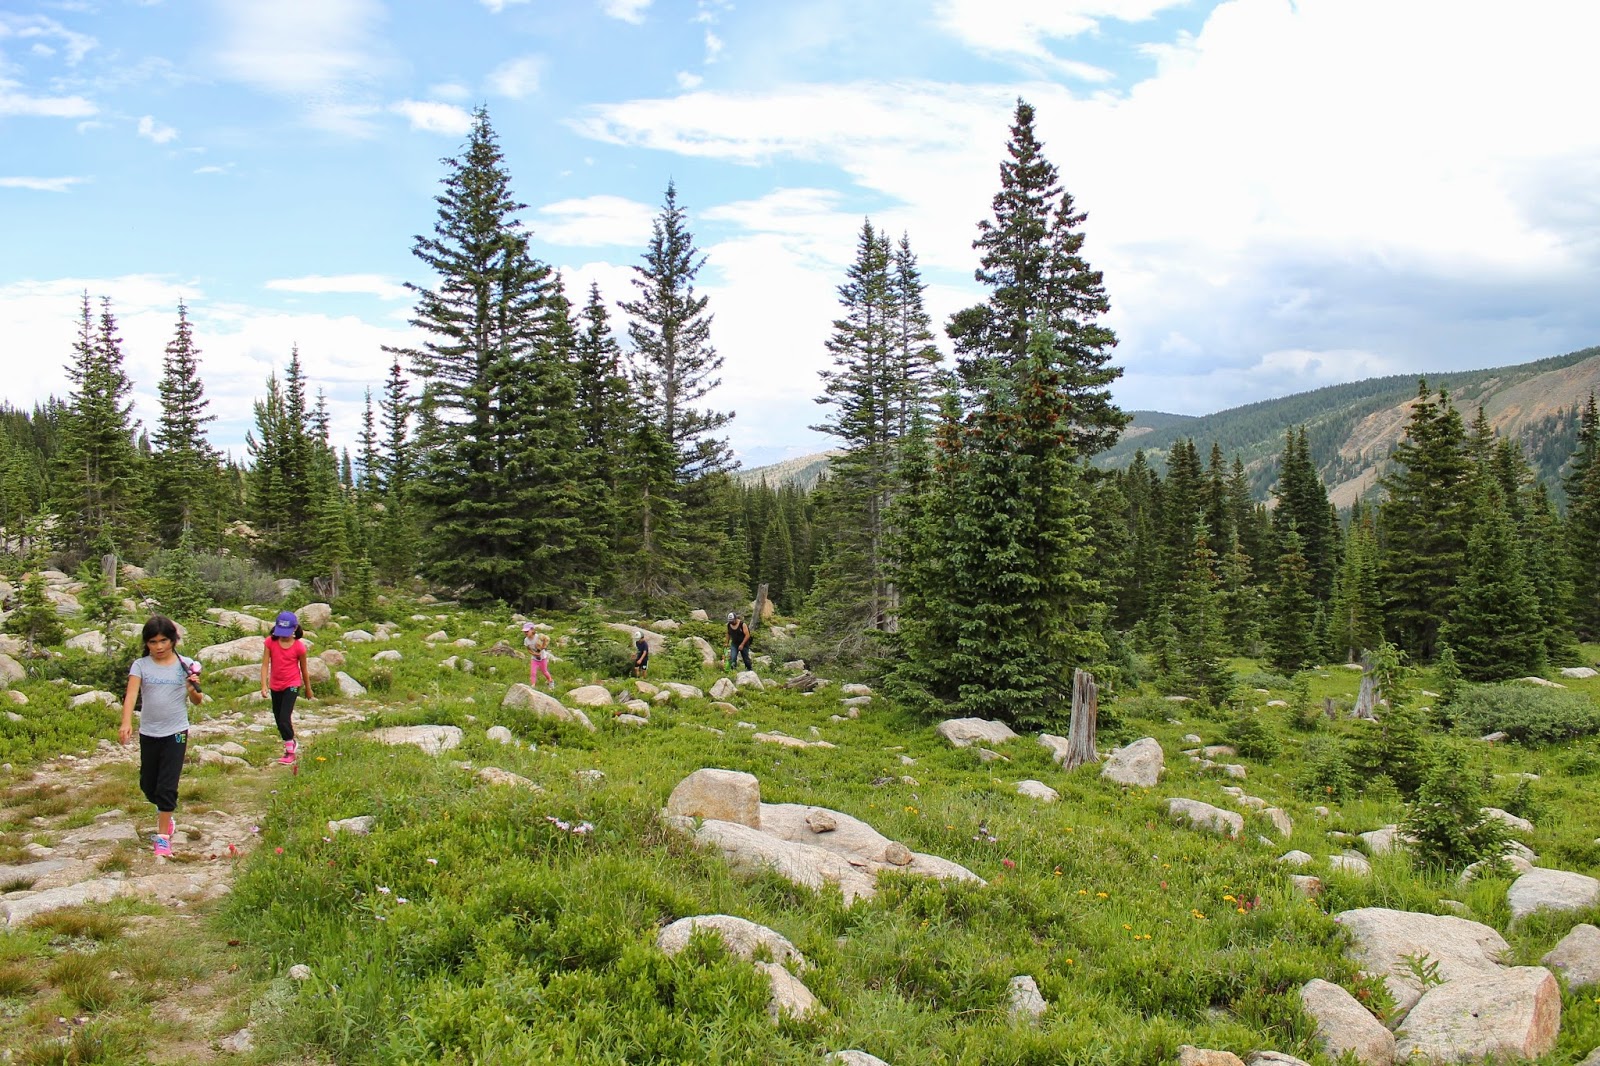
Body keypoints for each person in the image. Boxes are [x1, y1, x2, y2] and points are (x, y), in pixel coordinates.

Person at [120, 616, 204, 859]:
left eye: (163, 641)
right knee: (148, 785)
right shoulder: (141, 665)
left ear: (173, 640)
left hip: (176, 732)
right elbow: (131, 695)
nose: (158, 647)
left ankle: (163, 837)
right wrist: (126, 722)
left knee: (167, 785)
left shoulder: (186, 665)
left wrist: (192, 689)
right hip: (149, 732)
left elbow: (198, 701)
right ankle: (167, 815)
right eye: (152, 642)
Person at [260, 610, 314, 766]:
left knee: (284, 717)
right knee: (278, 718)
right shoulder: (270, 642)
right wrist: (263, 685)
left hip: (292, 684)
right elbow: (265, 664)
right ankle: (290, 743)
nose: (284, 636)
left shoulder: (299, 647)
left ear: (295, 628)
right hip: (275, 685)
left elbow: (304, 669)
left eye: (287, 632)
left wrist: (308, 689)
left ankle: (290, 750)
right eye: (281, 632)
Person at [523, 622, 554, 691]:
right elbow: (528, 649)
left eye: (527, 631)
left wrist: (542, 648)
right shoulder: (526, 640)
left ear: (532, 630)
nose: (526, 633)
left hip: (543, 658)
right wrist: (534, 654)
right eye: (525, 631)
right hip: (534, 659)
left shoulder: (538, 637)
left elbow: (545, 641)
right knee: (533, 672)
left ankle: (550, 681)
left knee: (544, 671)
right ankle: (533, 685)